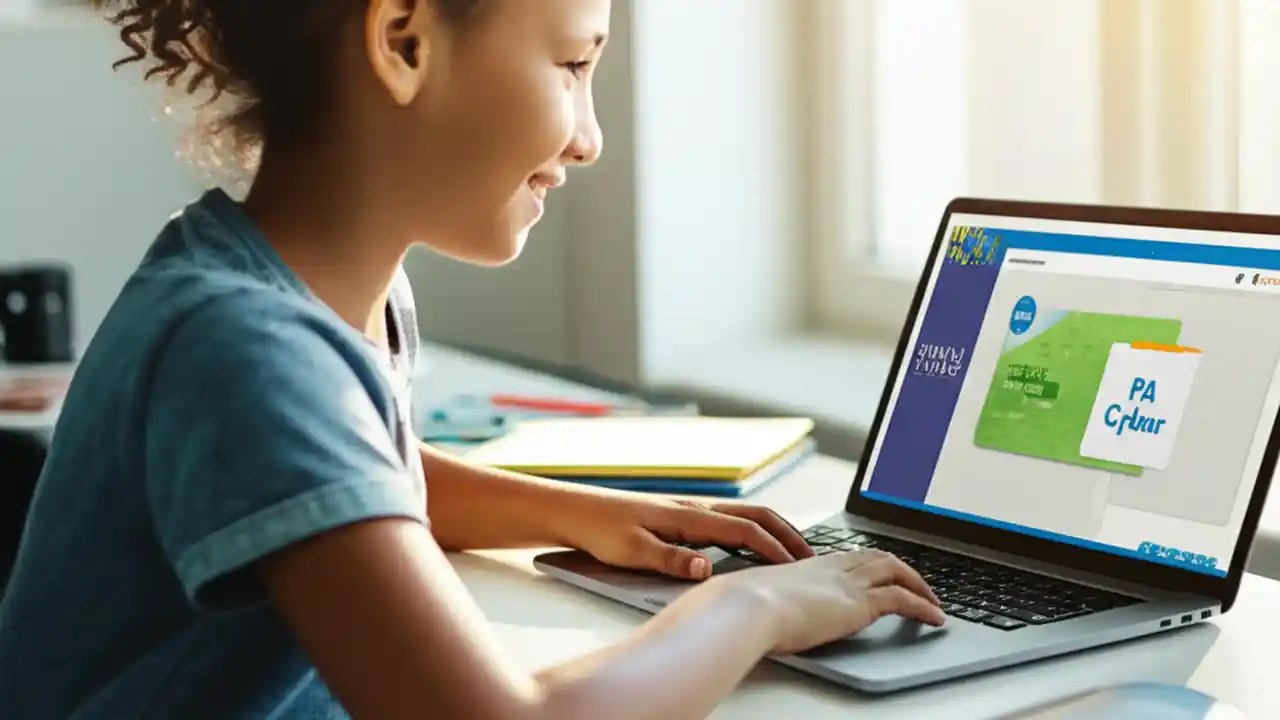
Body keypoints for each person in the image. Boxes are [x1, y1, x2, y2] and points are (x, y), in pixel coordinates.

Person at [0, 1, 945, 717]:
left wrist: (592, 513)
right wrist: (754, 611)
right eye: (571, 65)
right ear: (404, 41)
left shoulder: (298, 285)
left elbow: (355, 479)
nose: (589, 138)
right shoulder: (244, 347)